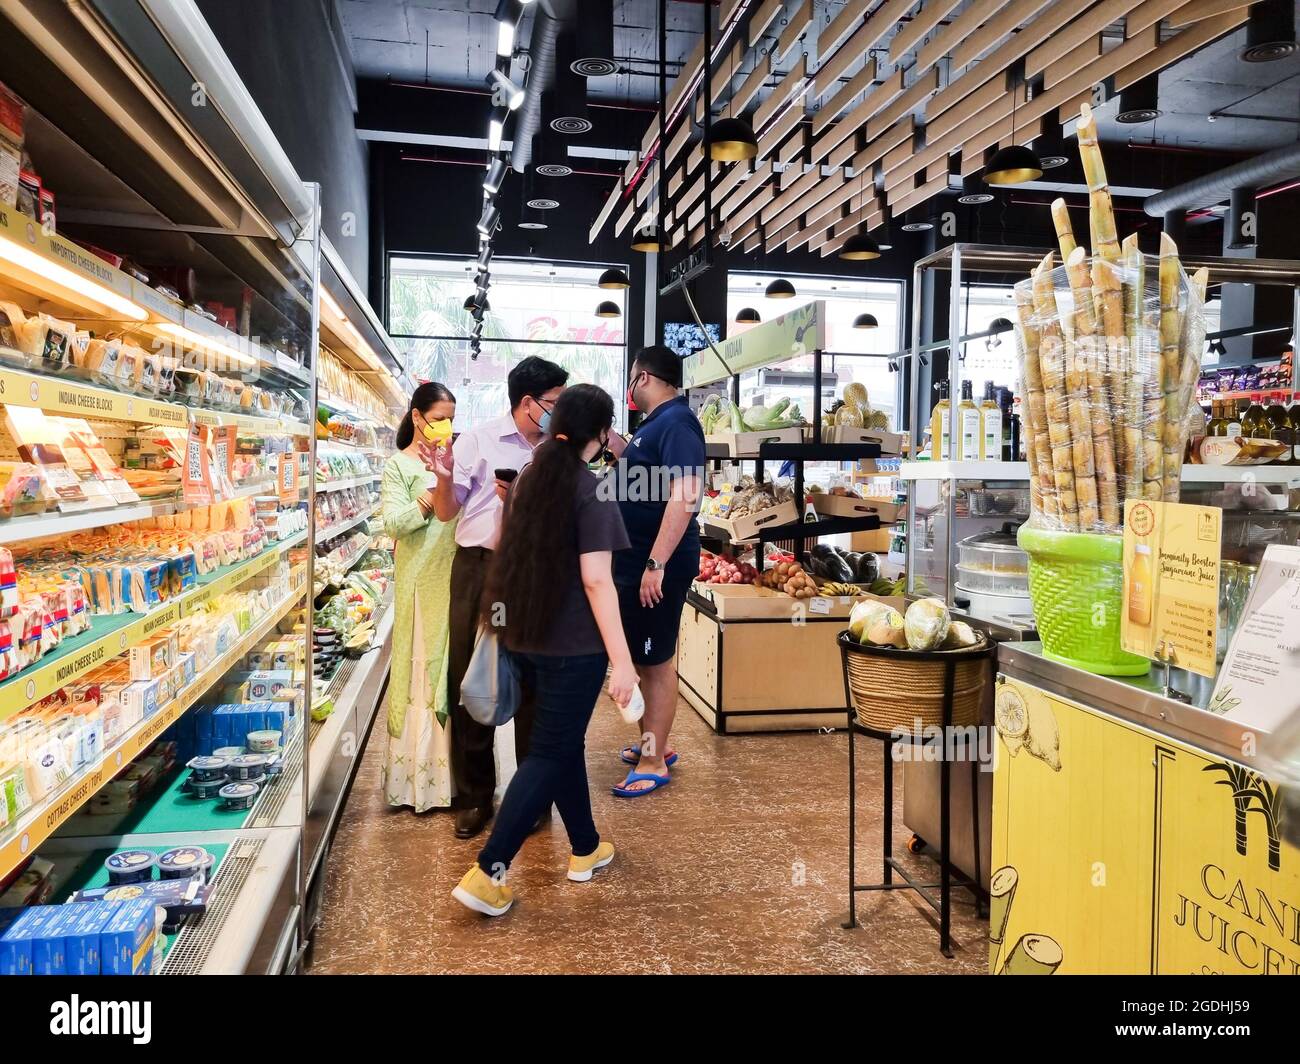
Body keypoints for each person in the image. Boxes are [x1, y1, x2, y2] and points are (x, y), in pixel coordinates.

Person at [452, 385, 637, 917]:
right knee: (549, 752)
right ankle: (489, 872)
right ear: (601, 435)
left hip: (526, 636)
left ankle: (585, 846)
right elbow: (598, 582)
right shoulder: (591, 489)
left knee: (561, 743)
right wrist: (622, 662)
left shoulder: (531, 475)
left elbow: (509, 544)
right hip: (574, 648)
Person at [431, 355, 569, 839]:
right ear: (528, 403)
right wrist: (445, 477)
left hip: (538, 572)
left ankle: (530, 797)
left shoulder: (559, 446)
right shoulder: (477, 440)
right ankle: (473, 797)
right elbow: (447, 514)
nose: (560, 411)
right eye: (554, 402)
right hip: (479, 569)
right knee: (474, 676)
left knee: (535, 682)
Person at [608, 345, 705, 797]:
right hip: (640, 560)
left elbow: (685, 495)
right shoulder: (655, 426)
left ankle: (653, 759)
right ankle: (654, 743)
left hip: (656, 563)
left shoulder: (679, 421)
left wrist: (656, 563)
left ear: (643, 377)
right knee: (645, 657)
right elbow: (646, 480)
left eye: (631, 378)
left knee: (655, 658)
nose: (629, 387)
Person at [380, 382, 459, 812]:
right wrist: (430, 496)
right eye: (439, 418)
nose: (446, 426)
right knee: (423, 678)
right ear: (417, 418)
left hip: (456, 582)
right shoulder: (398, 466)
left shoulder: (456, 460)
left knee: (451, 676)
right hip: (417, 586)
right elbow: (392, 524)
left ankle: (455, 782)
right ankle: (419, 787)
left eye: (452, 418)